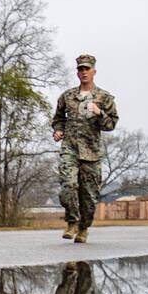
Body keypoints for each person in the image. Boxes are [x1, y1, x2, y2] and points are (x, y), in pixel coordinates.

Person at [51, 54, 118, 243]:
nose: (83, 72)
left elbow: (111, 124)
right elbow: (58, 119)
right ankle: (72, 221)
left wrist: (100, 113)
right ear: (77, 72)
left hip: (92, 153)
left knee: (89, 197)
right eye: (80, 69)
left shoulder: (104, 97)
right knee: (68, 186)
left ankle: (83, 228)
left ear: (94, 71)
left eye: (87, 69)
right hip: (70, 149)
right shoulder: (67, 96)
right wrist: (58, 130)